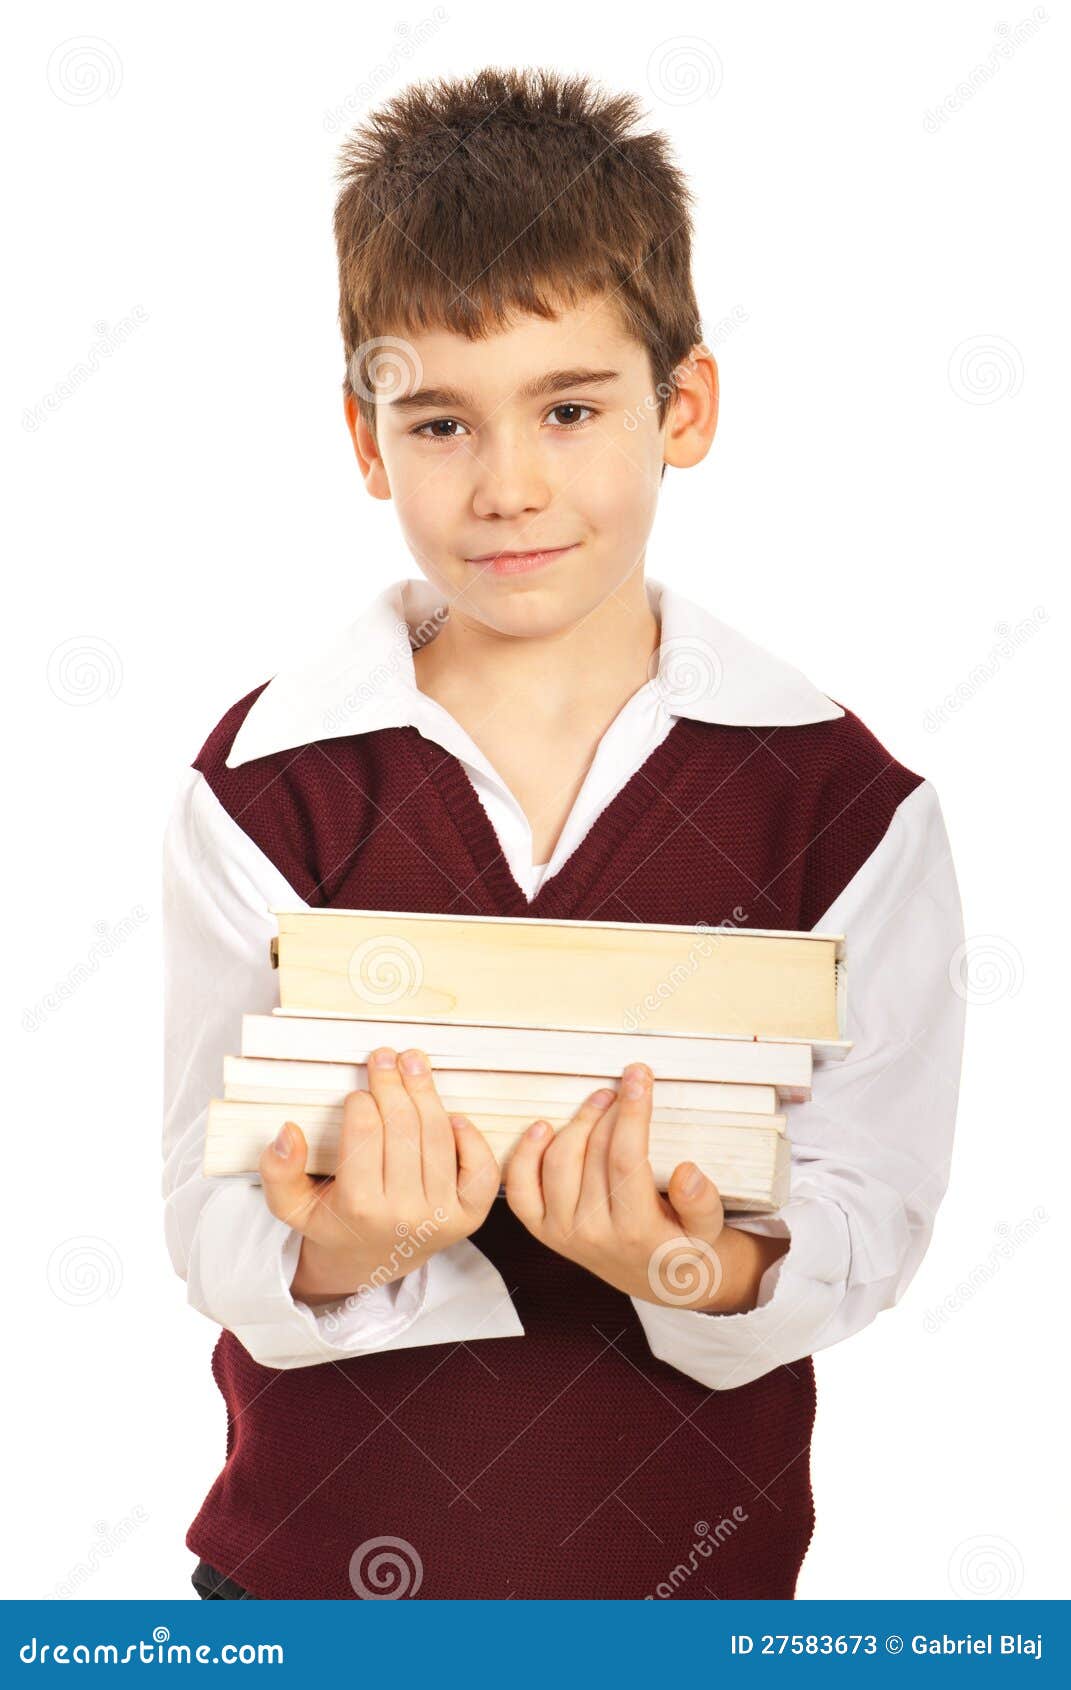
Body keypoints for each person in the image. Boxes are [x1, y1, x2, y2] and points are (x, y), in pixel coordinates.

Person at [162, 65, 966, 1601]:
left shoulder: (842, 803)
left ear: (685, 407)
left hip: (687, 1611)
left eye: (572, 407)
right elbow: (206, 1214)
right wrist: (353, 1243)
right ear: (365, 436)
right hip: (304, 1604)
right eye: (442, 421)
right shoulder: (267, 787)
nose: (511, 485)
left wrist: (696, 1262)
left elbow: (871, 1210)